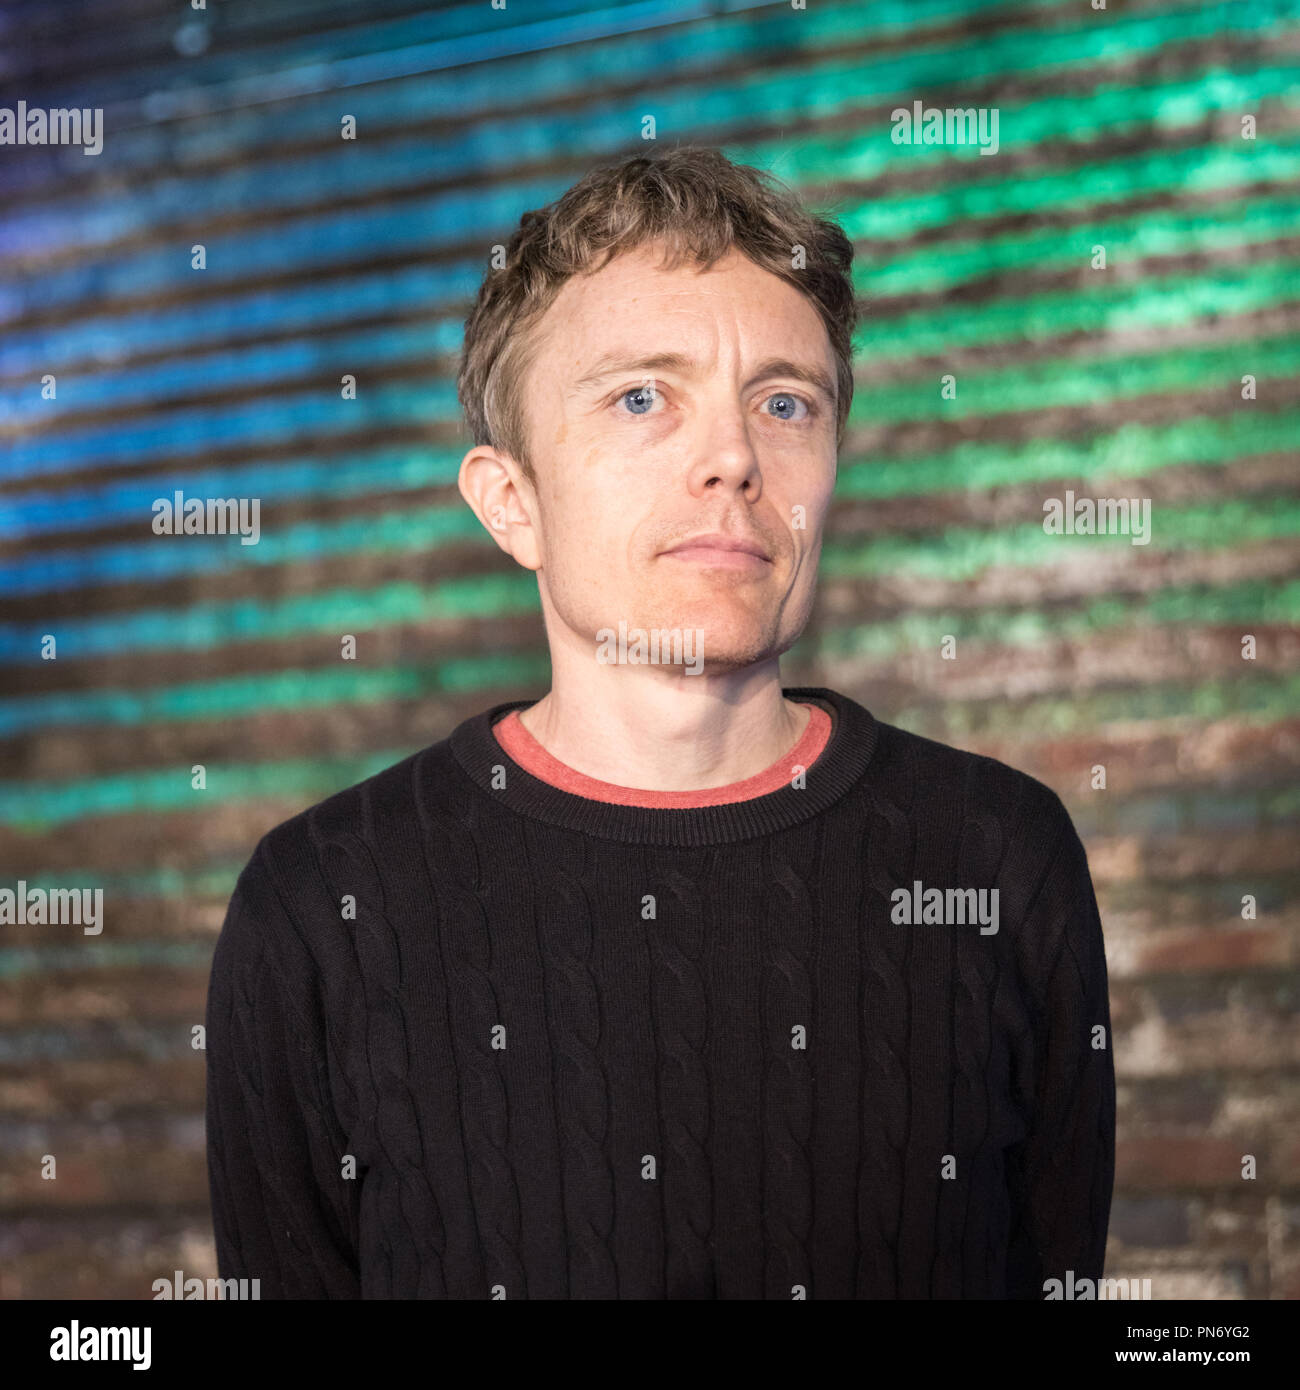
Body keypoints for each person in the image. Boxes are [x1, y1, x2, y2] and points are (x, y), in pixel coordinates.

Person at [205, 145, 1115, 1299]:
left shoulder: (1000, 856)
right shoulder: (316, 906)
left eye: (784, 403)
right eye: (642, 397)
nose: (732, 458)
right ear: (511, 502)